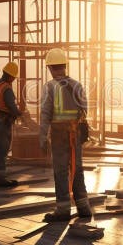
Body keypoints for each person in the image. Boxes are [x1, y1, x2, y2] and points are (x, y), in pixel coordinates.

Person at [38, 48, 92, 222]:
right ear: (65, 66)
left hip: (59, 134)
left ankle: (63, 209)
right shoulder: (77, 85)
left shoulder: (50, 87)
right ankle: (83, 207)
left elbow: (45, 114)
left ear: (50, 68)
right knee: (76, 168)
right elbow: (85, 110)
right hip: (75, 132)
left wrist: (42, 137)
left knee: (61, 171)